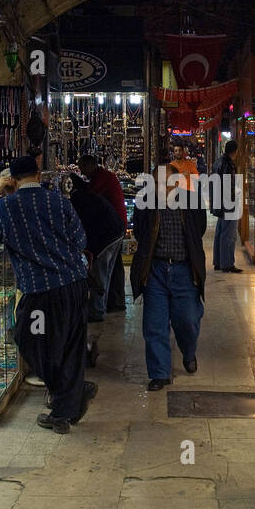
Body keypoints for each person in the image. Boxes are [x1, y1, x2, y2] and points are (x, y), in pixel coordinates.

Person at [0, 155, 96, 434]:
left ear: (12, 180)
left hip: (40, 292)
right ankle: (71, 400)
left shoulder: (6, 207)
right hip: (74, 285)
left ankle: (66, 406)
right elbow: (80, 240)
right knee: (70, 347)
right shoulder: (59, 201)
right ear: (38, 175)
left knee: (31, 342)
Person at [130, 161, 206, 391]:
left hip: (184, 270)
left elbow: (199, 229)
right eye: (156, 183)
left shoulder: (191, 201)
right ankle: (159, 373)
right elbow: (139, 231)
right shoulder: (146, 203)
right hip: (156, 271)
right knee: (154, 325)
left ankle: (189, 351)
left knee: (188, 320)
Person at [66, 173, 125, 324]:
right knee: (106, 273)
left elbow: (83, 227)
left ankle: (97, 312)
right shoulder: (87, 195)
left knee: (100, 275)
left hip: (107, 237)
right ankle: (102, 307)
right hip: (116, 232)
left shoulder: (77, 200)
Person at [78, 154, 129, 314]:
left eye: (82, 167)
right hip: (115, 226)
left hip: (112, 229)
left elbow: (92, 194)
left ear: (90, 165)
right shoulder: (102, 177)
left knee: (102, 269)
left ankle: (98, 309)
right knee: (113, 268)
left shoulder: (102, 178)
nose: (82, 171)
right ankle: (115, 302)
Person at [210, 139, 242, 273]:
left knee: (221, 232)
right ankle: (227, 264)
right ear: (235, 151)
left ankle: (218, 261)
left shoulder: (218, 161)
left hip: (218, 202)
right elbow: (228, 186)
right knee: (229, 234)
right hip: (227, 203)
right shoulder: (228, 164)